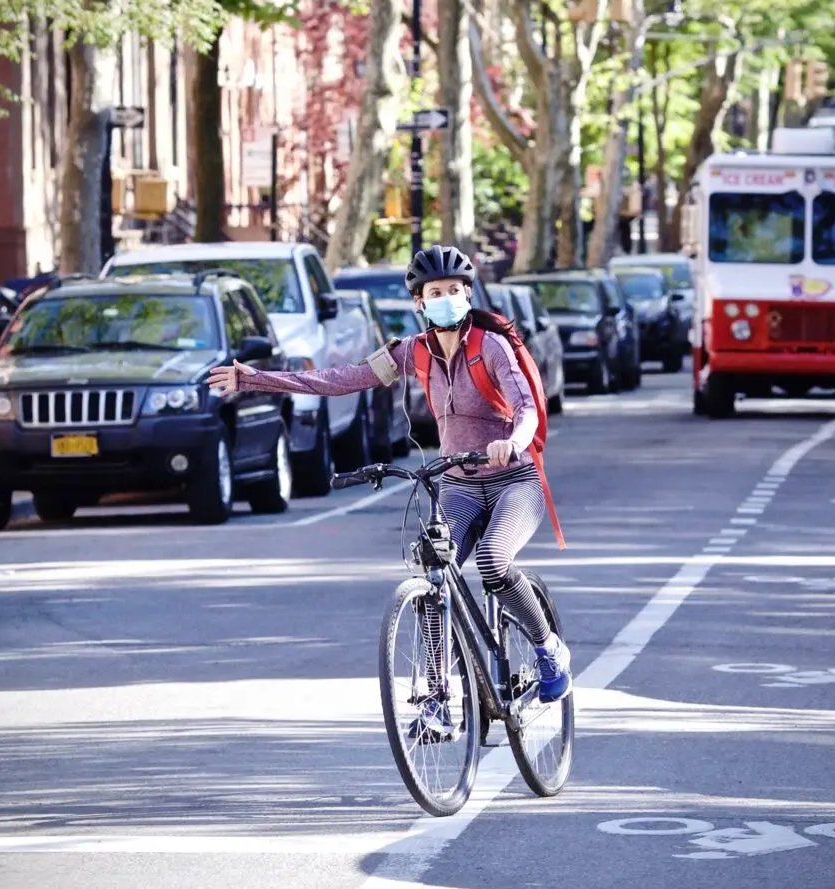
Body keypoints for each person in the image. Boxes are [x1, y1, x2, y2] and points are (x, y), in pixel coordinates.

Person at [207, 245, 572, 739]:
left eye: (454, 291)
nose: (446, 299)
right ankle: (441, 699)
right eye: (435, 293)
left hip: (514, 479)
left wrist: (514, 440)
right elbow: (341, 379)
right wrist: (259, 380)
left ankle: (550, 650)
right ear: (420, 302)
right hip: (458, 485)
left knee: (491, 562)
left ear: (468, 295)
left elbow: (527, 404)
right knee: (435, 576)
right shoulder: (412, 351)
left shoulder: (491, 346)